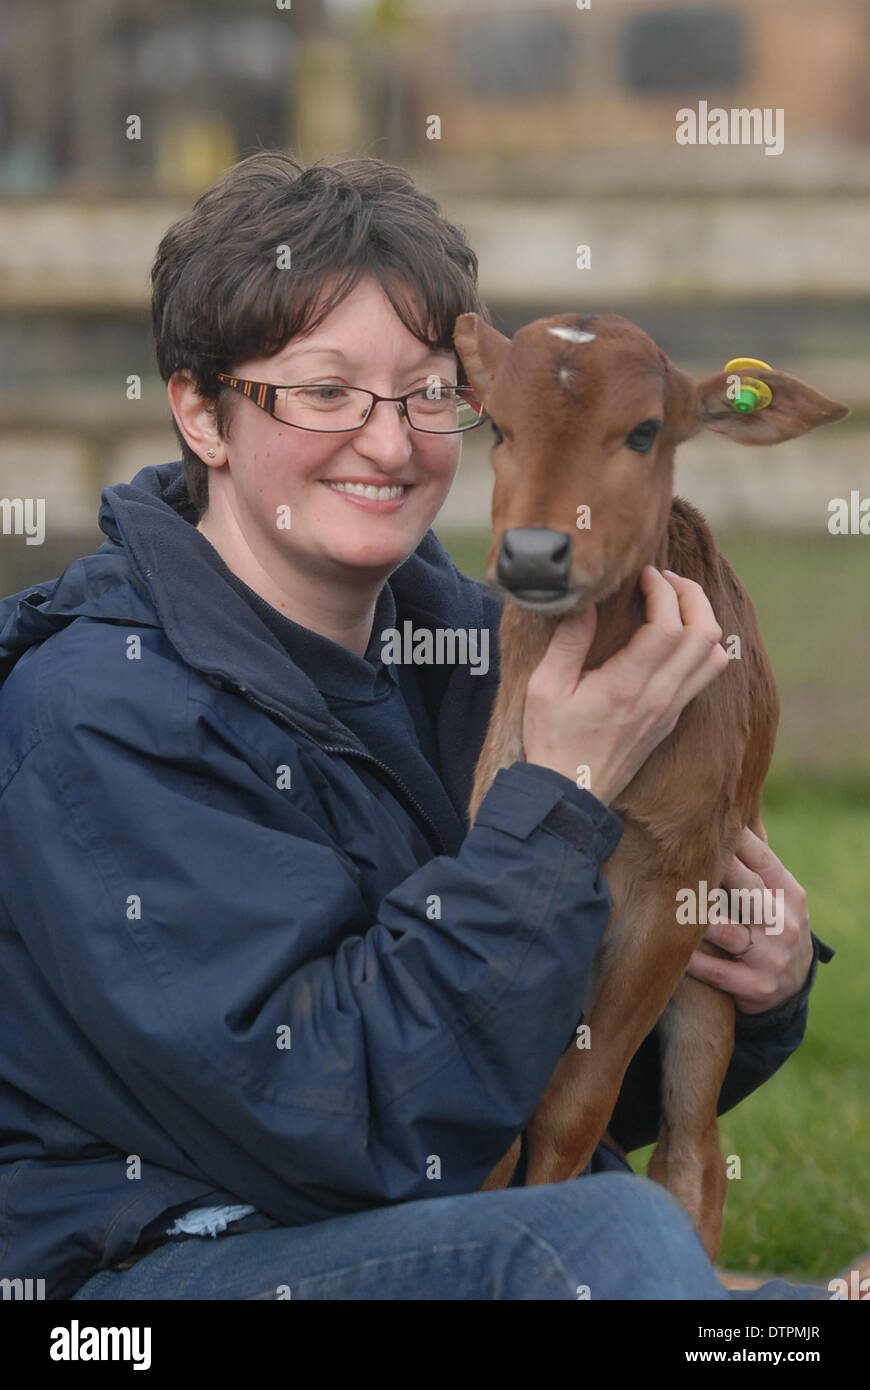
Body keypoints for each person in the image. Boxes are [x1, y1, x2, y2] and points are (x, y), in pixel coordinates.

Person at [0, 152, 834, 1302]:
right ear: (200, 411)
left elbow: (536, 1068)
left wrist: (757, 977)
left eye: (428, 393)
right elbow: (353, 1118)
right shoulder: (98, 716)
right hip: (179, 1263)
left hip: (434, 1223)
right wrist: (561, 801)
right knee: (616, 1244)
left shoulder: (489, 648)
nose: (388, 444)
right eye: (324, 390)